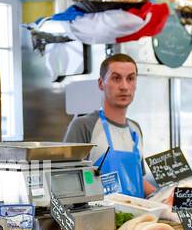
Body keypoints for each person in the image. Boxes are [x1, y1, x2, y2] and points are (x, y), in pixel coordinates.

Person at [63, 52, 155, 197]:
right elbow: (66, 180)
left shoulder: (135, 129)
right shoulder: (83, 126)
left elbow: (137, 180)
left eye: (130, 78)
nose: (124, 86)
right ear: (101, 83)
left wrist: (165, 196)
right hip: (99, 217)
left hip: (138, 216)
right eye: (116, 78)